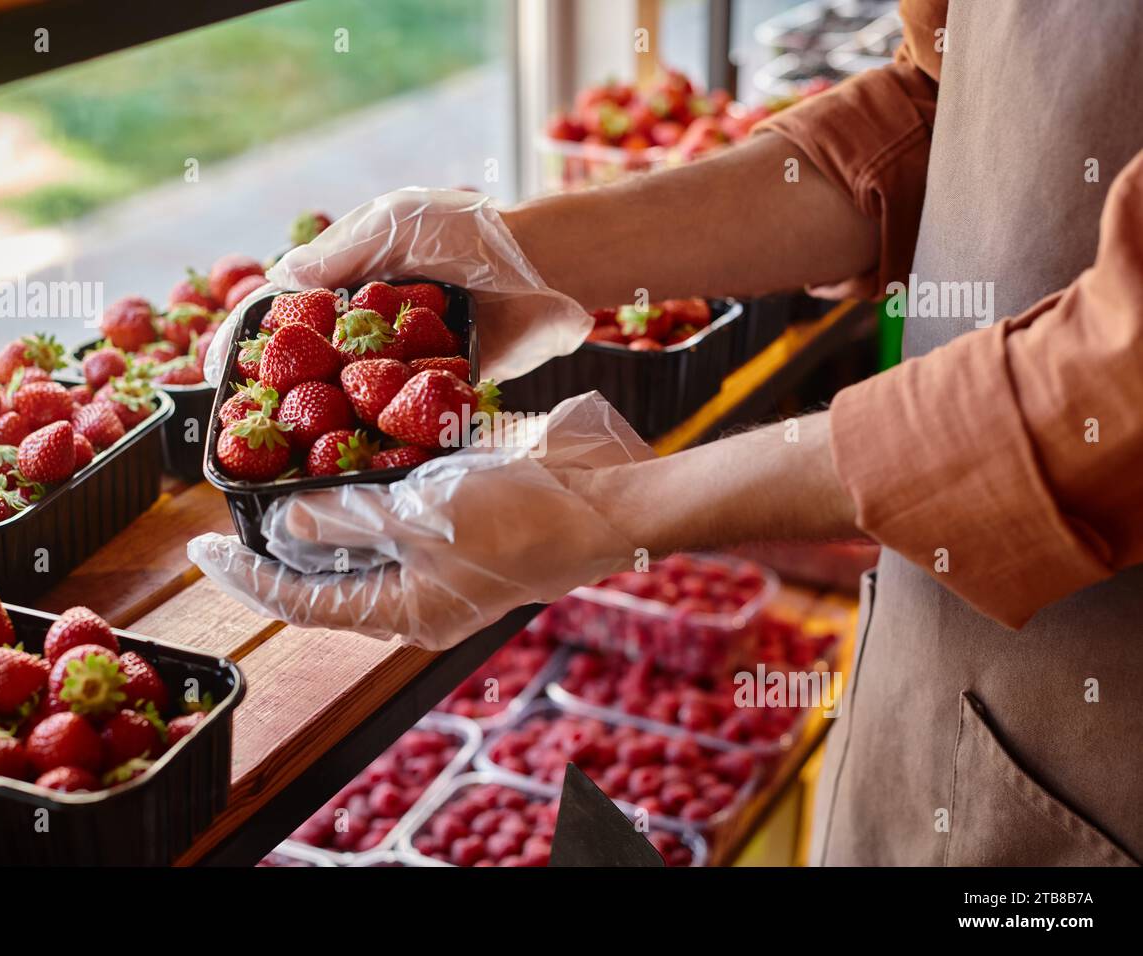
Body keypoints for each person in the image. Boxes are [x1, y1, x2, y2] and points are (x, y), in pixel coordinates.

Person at [192, 0, 1143, 866]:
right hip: (942, 664)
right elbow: (943, 118)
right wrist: (526, 252)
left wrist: (620, 508)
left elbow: (1112, 380)